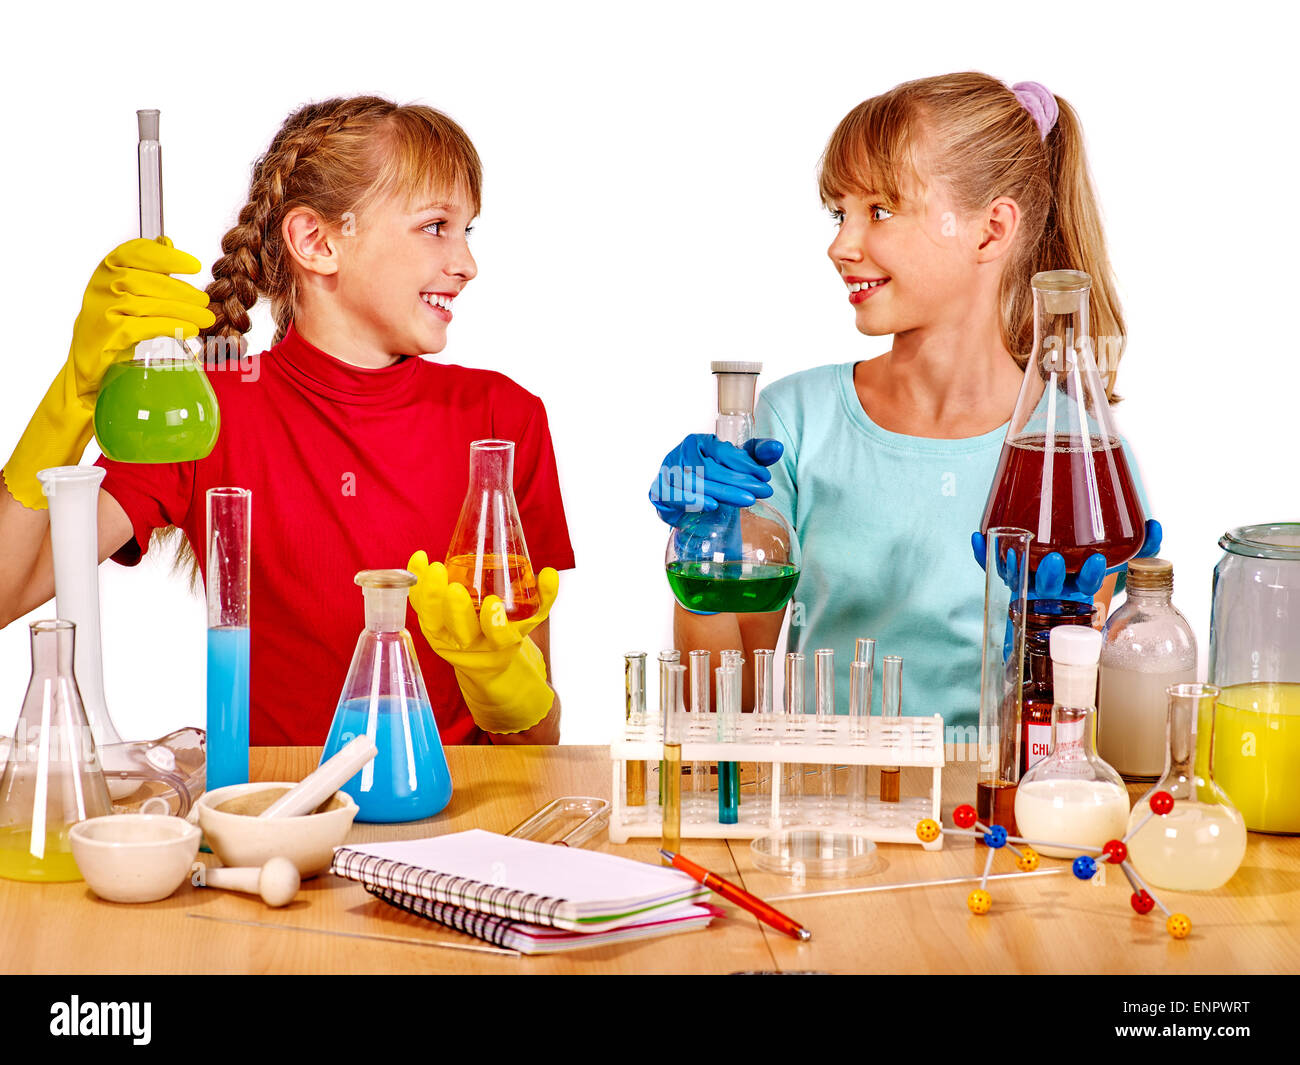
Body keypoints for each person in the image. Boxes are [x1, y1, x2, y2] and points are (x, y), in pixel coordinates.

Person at [1, 96, 574, 746]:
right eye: (436, 226)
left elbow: (538, 744)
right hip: (274, 818)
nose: (467, 265)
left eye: (468, 231)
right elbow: (6, 589)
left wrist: (506, 684)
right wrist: (71, 397)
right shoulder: (203, 409)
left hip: (454, 819)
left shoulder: (502, 420)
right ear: (318, 241)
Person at [651, 73, 1155, 729]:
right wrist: (700, 567)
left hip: (991, 811)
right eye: (840, 213)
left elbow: (1082, 735)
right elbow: (725, 709)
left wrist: (1048, 645)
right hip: (827, 812)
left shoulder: (1072, 451)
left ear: (989, 230)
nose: (841, 244)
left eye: (879, 211)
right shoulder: (795, 425)